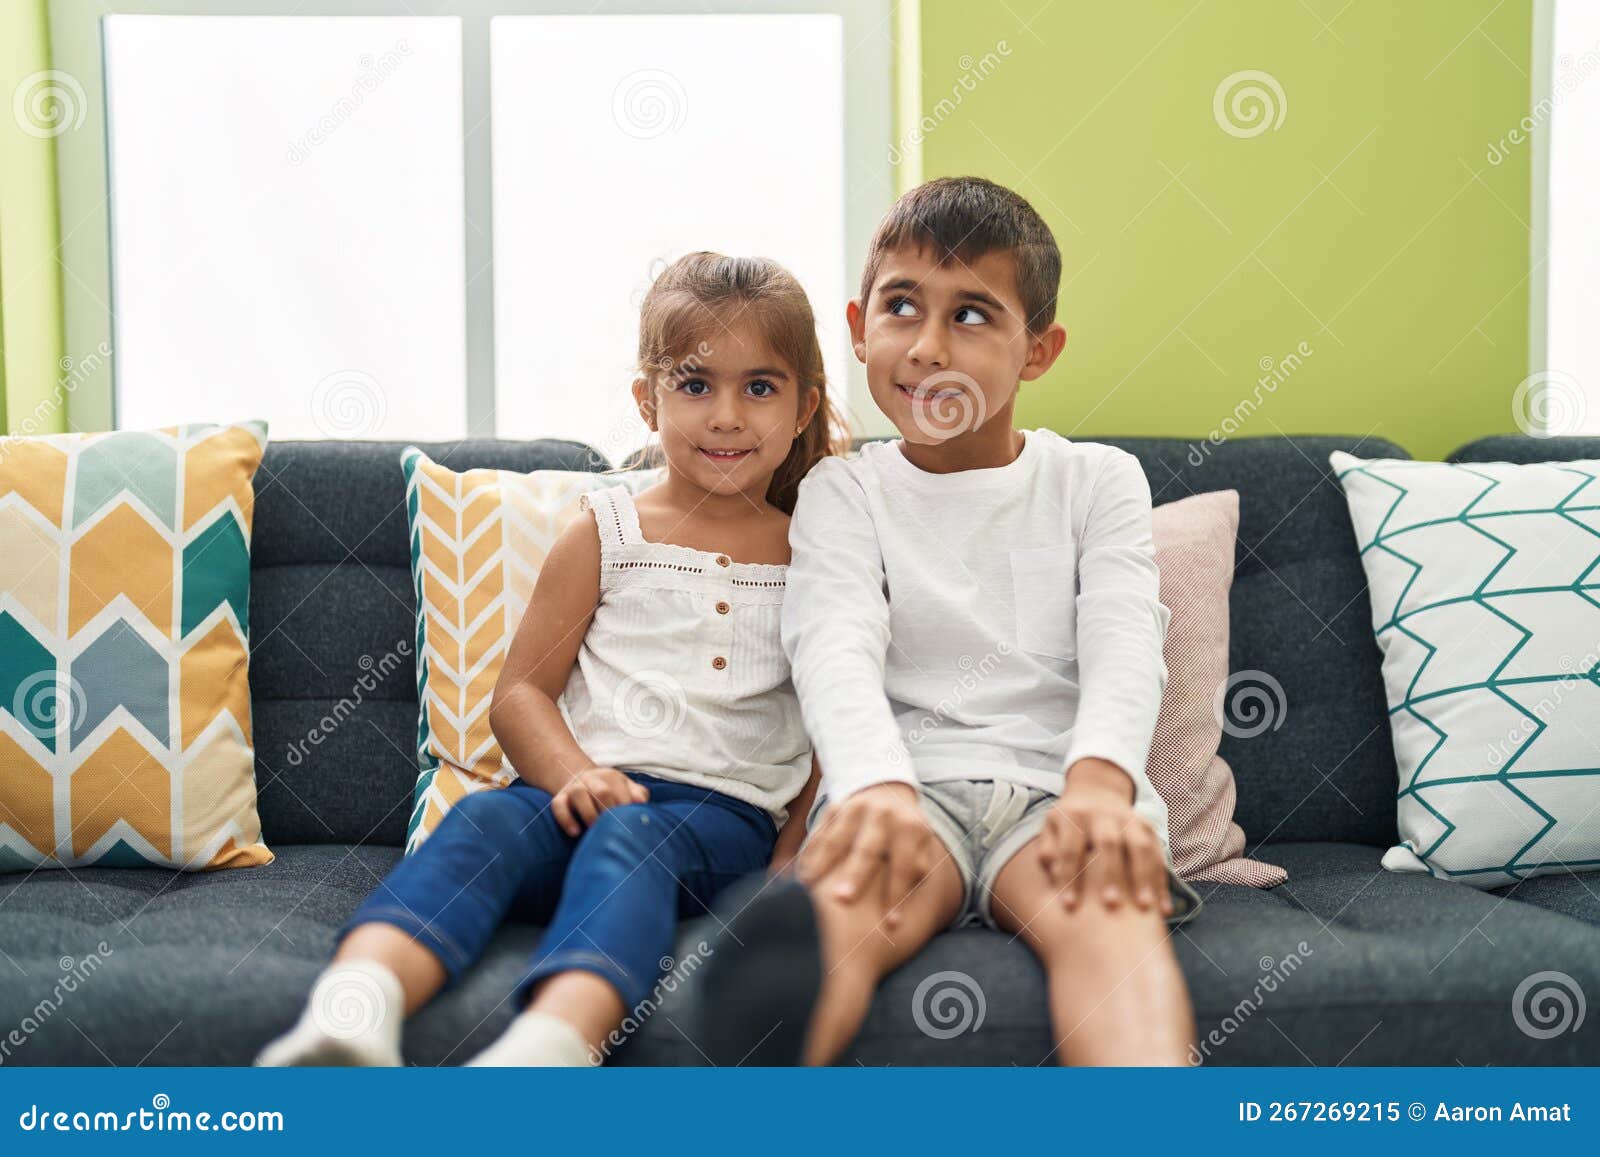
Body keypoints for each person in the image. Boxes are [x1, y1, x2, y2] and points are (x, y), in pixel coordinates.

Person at [255, 251, 843, 1066]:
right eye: (696, 384)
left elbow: (834, 719)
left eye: (761, 387)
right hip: (578, 796)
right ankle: (350, 1015)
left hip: (718, 823)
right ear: (649, 398)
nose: (727, 416)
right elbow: (522, 694)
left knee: (633, 838)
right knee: (485, 818)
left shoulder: (814, 551)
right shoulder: (606, 528)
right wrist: (574, 776)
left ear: (803, 402)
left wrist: (794, 848)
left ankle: (553, 1044)